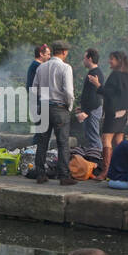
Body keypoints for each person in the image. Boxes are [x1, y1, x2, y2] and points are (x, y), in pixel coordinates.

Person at [32, 40, 76, 186]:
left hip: (43, 106)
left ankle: (40, 174)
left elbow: (34, 89)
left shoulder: (41, 67)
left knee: (42, 142)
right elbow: (68, 92)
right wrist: (69, 107)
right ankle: (64, 176)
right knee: (62, 143)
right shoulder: (65, 68)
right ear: (64, 52)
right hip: (59, 108)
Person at [99, 50, 128, 180]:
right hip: (124, 112)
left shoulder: (115, 75)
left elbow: (109, 93)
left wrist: (97, 85)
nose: (109, 61)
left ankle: (106, 171)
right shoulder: (125, 75)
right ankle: (123, 168)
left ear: (118, 61)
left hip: (114, 113)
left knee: (106, 139)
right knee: (119, 140)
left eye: (111, 59)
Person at [76, 48, 104, 155]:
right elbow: (87, 94)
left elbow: (94, 96)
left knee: (94, 138)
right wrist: (82, 107)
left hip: (93, 110)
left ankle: (99, 161)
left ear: (90, 59)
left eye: (84, 58)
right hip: (90, 110)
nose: (83, 60)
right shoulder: (93, 72)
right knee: (91, 137)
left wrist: (86, 112)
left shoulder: (95, 74)